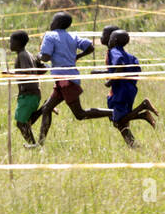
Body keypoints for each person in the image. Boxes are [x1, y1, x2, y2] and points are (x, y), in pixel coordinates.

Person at [36, 12, 111, 143]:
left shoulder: (50, 35)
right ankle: (40, 143)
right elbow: (90, 47)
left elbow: (46, 56)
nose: (51, 23)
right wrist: (78, 56)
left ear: (57, 23)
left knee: (80, 114)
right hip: (65, 80)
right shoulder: (73, 35)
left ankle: (114, 112)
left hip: (66, 81)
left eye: (53, 21)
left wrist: (38, 57)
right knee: (47, 108)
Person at [104, 30, 158, 148]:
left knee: (117, 119)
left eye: (110, 38)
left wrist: (110, 81)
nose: (109, 41)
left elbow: (119, 65)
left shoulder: (114, 51)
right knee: (121, 119)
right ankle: (133, 145)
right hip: (130, 89)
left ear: (115, 41)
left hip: (120, 91)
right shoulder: (131, 56)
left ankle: (143, 108)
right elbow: (137, 69)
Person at [6, 31, 47, 147]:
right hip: (30, 94)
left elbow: (26, 72)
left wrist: (11, 74)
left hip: (29, 94)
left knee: (21, 123)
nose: (10, 43)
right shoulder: (27, 54)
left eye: (11, 41)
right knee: (25, 122)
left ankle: (33, 145)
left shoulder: (22, 55)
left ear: (18, 43)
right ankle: (44, 108)